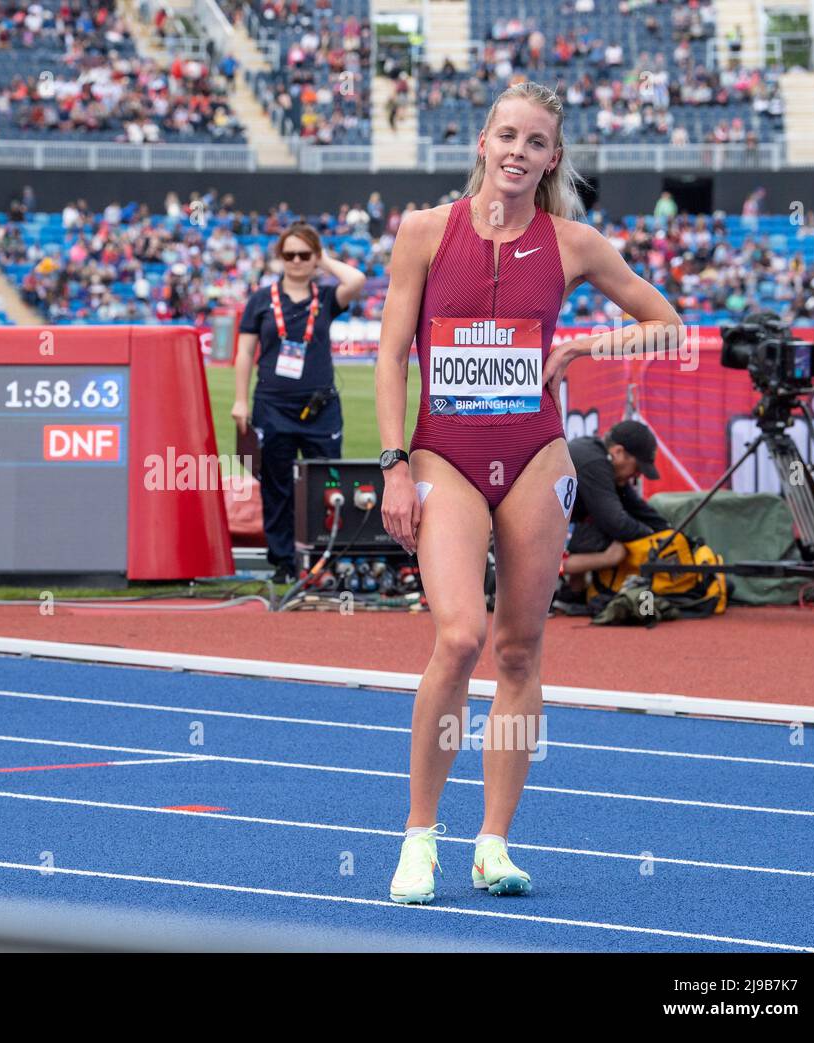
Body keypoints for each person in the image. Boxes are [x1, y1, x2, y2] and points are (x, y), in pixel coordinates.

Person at [375, 81, 688, 904]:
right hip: (446, 453)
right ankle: (418, 835)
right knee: (457, 635)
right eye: (506, 135)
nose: (518, 151)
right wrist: (393, 464)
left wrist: (590, 342)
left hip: (535, 453)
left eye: (536, 142)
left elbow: (668, 322)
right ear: (482, 142)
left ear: (553, 158)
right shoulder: (422, 232)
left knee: (519, 648)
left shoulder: (575, 242)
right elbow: (390, 355)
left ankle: (495, 842)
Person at [233, 224, 366, 584]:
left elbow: (356, 279)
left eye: (304, 255)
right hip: (272, 406)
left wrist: (323, 259)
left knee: (326, 482)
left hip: (320, 408)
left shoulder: (325, 297)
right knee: (276, 485)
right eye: (289, 254)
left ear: (314, 258)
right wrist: (240, 400)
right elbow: (245, 352)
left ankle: (324, 558)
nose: (296, 261)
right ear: (280, 257)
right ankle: (283, 561)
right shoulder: (261, 300)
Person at [554, 420, 669, 613]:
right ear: (618, 452)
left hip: (551, 527)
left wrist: (669, 533)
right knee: (614, 544)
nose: (637, 476)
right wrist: (651, 538)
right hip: (527, 533)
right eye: (638, 468)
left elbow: (635, 507)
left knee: (606, 529)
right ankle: (564, 588)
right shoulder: (595, 463)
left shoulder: (603, 459)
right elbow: (616, 523)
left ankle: (573, 591)